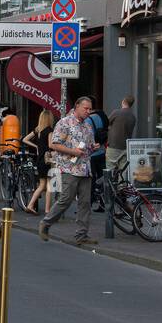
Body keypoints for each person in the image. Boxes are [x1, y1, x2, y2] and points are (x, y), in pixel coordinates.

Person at [40, 96, 100, 247]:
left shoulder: (88, 126)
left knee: (85, 203)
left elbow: (88, 147)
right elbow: (54, 144)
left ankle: (81, 235)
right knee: (65, 199)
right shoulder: (64, 123)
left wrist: (93, 148)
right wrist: (73, 151)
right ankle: (46, 223)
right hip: (69, 168)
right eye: (85, 108)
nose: (88, 111)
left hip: (85, 169)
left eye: (90, 109)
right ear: (77, 107)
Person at [21, 109, 55, 215]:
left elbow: (25, 139)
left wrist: (36, 146)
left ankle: (30, 205)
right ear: (50, 119)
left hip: (39, 160)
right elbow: (50, 145)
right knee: (49, 186)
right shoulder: (49, 130)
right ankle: (47, 210)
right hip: (47, 161)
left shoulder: (38, 130)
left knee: (41, 185)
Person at [106, 96, 136, 176]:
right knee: (123, 171)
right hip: (125, 146)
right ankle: (121, 187)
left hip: (113, 145)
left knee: (110, 169)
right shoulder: (133, 117)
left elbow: (106, 123)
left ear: (123, 101)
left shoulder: (116, 112)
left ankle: (110, 187)